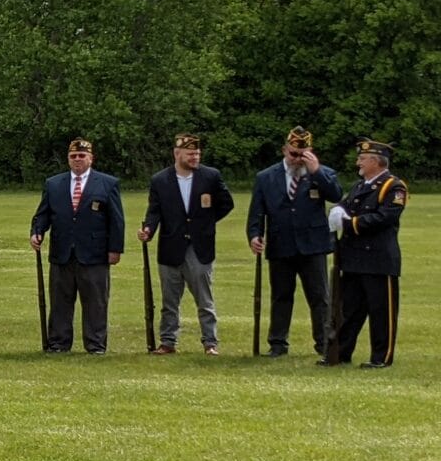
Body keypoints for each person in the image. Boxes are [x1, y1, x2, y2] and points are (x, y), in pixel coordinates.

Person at [245, 126, 341, 358]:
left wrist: (315, 170)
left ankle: (324, 343)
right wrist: (254, 235)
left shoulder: (322, 173)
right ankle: (278, 343)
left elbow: (336, 195)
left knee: (319, 297)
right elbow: (256, 212)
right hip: (281, 243)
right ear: (284, 150)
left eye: (303, 154)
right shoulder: (266, 177)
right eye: (293, 154)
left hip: (313, 244)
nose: (297, 160)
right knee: (281, 296)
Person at [138, 133, 235, 354]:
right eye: (191, 153)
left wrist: (206, 223)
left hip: (200, 248)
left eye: (197, 153)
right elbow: (154, 212)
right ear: (177, 153)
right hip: (170, 247)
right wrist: (148, 230)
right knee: (169, 301)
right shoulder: (160, 180)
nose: (195, 157)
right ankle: (168, 341)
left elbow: (226, 203)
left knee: (204, 299)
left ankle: (210, 342)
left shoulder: (210, 176)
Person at [29, 138, 124, 353]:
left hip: (94, 253)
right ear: (68, 159)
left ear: (91, 158)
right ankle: (59, 343)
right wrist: (37, 232)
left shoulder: (107, 183)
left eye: (82, 156)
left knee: (96, 302)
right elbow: (42, 215)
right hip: (62, 252)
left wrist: (115, 249)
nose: (78, 159)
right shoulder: (53, 184)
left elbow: (116, 220)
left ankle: (95, 344)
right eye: (73, 156)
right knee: (60, 301)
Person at [327, 139, 408, 368]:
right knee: (349, 310)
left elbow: (384, 218)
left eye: (362, 159)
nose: (358, 163)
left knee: (381, 312)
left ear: (375, 161)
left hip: (378, 259)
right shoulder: (360, 185)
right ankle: (340, 352)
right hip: (354, 258)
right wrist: (338, 209)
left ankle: (381, 357)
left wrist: (350, 223)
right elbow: (346, 204)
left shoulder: (393, 186)